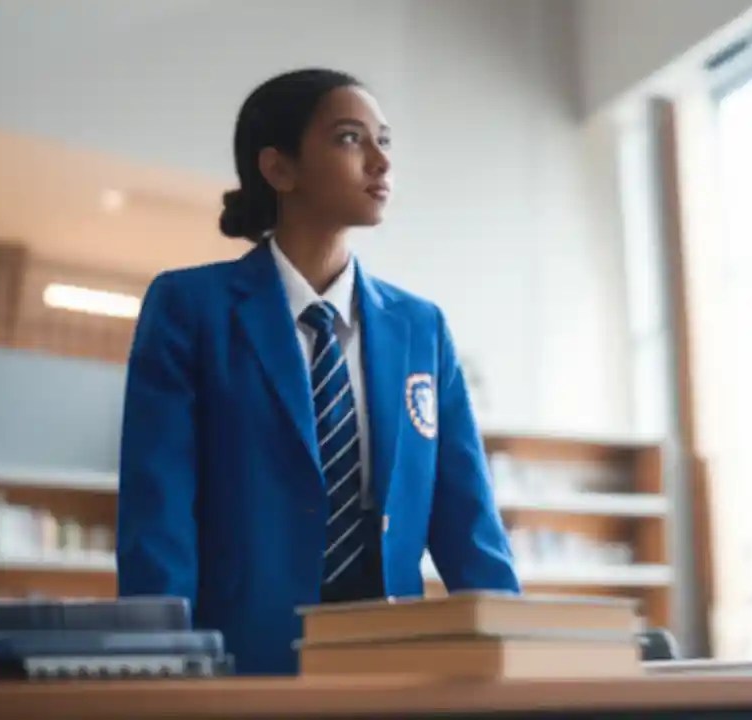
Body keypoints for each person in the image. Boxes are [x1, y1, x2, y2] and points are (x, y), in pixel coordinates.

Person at [116, 68, 520, 675]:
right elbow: (159, 512)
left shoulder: (422, 328)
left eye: (386, 140)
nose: (381, 161)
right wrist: (161, 668)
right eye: (351, 139)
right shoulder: (190, 309)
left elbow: (467, 521)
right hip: (241, 665)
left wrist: (517, 658)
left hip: (397, 667)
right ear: (279, 169)